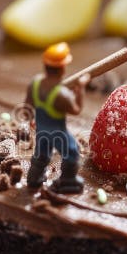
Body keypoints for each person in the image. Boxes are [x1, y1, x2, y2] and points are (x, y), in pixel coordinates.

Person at [26, 42, 86, 193]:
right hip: (57, 132)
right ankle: (67, 181)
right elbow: (77, 110)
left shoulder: (35, 83)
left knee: (42, 154)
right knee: (72, 152)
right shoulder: (62, 94)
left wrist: (30, 121)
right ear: (63, 68)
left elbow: (28, 105)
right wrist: (81, 89)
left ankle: (34, 178)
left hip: (41, 129)